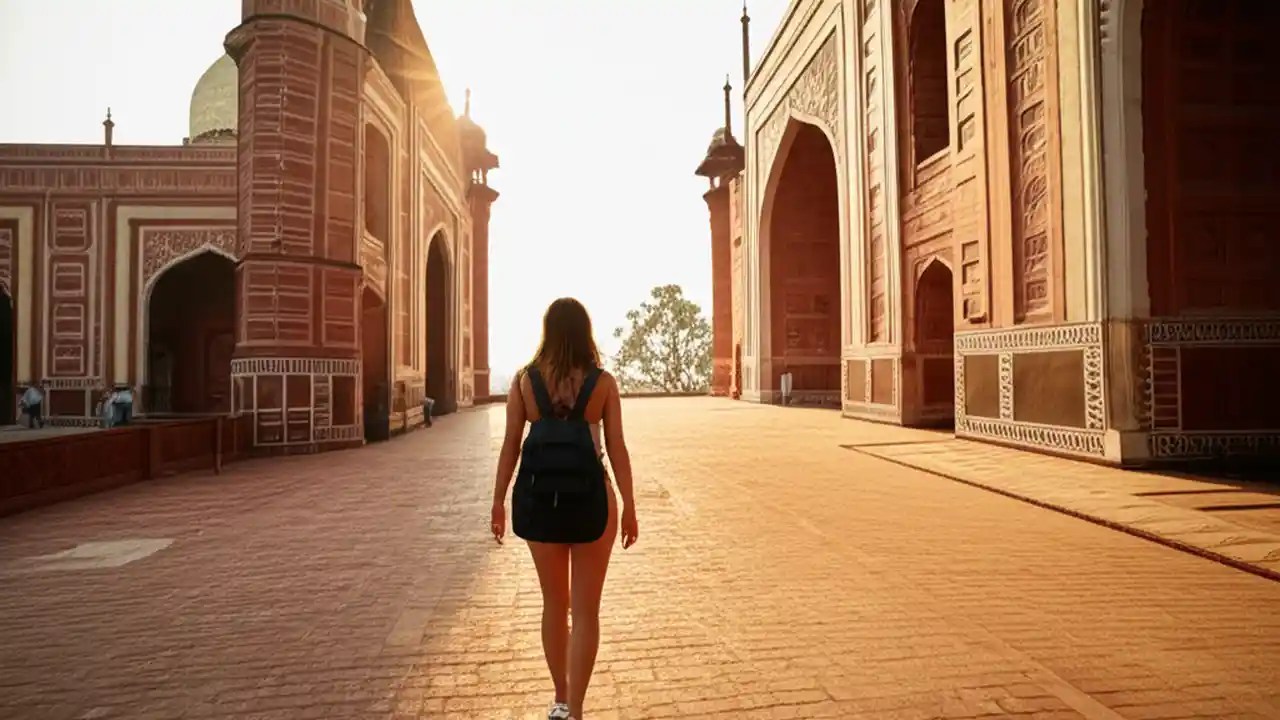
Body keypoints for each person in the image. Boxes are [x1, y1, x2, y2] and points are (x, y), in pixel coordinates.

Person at [490, 298, 638, 720]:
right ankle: (576, 710)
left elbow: (510, 447)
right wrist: (629, 505)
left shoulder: (524, 382)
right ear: (585, 331)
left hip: (540, 502)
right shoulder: (603, 384)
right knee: (587, 610)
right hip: (595, 502)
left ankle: (558, 697)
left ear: (548, 331)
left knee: (555, 604)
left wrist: (498, 502)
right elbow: (617, 448)